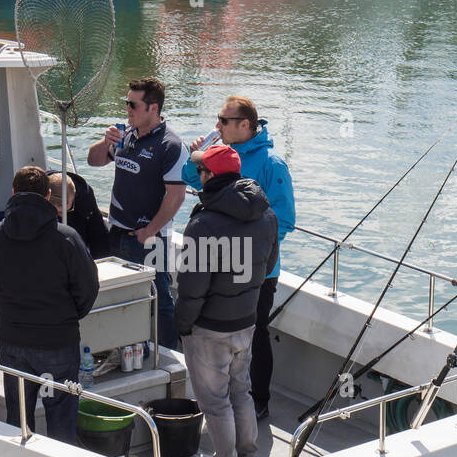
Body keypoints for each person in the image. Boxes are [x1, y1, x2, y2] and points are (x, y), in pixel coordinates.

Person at [183, 97, 295, 421]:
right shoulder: (216, 153)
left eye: (223, 120)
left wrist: (251, 253)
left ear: (244, 124)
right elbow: (189, 179)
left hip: (258, 270)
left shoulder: (272, 165)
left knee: (255, 332)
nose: (217, 125)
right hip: (219, 267)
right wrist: (197, 156)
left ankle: (258, 399)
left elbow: (284, 220)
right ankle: (224, 399)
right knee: (219, 330)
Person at [175, 144, 279, 457]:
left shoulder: (202, 224)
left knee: (216, 402)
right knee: (241, 392)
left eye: (201, 170)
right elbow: (269, 266)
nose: (197, 176)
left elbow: (192, 288)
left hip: (209, 328)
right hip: (246, 322)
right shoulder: (267, 215)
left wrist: (183, 325)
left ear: (209, 176)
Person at [0, 166, 100, 444]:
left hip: (11, 338)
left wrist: (8, 310)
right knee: (62, 416)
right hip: (58, 339)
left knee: (18, 416)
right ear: (47, 196)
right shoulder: (66, 238)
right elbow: (88, 288)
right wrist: (68, 316)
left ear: (13, 192)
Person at [86, 77, 186, 349]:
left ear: (153, 108)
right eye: (126, 102)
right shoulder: (126, 135)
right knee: (119, 294)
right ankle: (125, 347)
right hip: (117, 231)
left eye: (133, 104)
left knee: (159, 299)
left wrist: (149, 231)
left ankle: (166, 355)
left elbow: (176, 196)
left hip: (149, 238)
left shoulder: (171, 145)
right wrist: (104, 141)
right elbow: (93, 161)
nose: (127, 109)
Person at [47, 170, 111, 259]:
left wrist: (100, 262)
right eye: (56, 212)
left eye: (64, 211)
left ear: (74, 197)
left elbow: (98, 234)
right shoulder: (36, 203)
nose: (61, 215)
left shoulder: (86, 200)